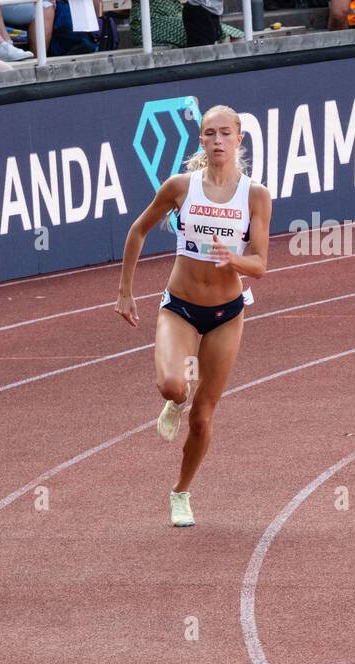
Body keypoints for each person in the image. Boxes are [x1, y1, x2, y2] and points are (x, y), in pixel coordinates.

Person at [114, 106, 271, 527]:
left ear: (239, 139)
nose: (217, 141)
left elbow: (260, 264)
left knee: (203, 416)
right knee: (172, 386)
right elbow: (137, 231)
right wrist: (126, 291)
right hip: (181, 307)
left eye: (225, 134)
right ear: (200, 141)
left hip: (226, 314)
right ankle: (175, 401)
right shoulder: (181, 187)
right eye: (209, 134)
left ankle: (181, 492)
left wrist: (233, 260)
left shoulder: (255, 195)